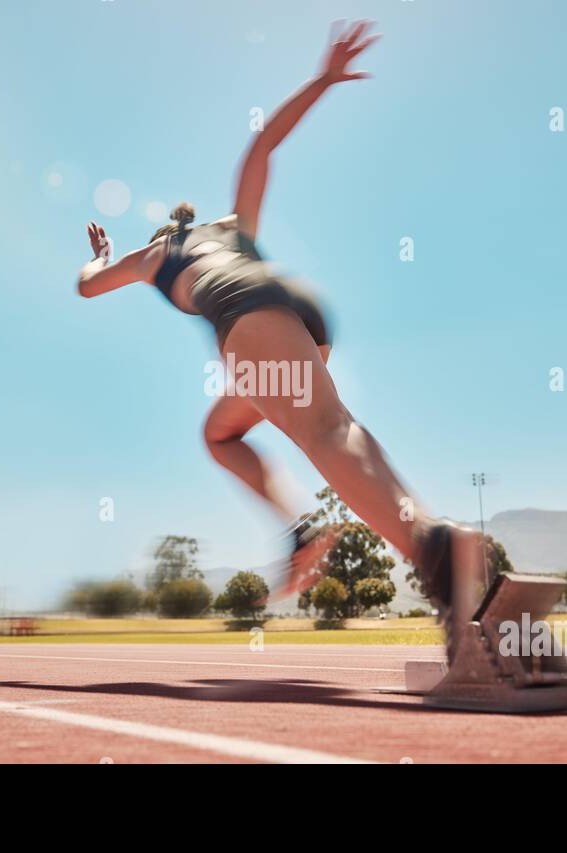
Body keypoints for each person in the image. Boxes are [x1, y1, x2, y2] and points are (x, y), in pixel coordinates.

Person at [75, 21, 486, 657]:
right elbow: (260, 151)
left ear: (163, 234)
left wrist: (101, 258)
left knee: (320, 434)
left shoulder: (155, 254)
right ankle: (309, 528)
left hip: (248, 319)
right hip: (296, 312)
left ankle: (434, 550)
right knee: (233, 430)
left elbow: (87, 288)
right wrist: (322, 78)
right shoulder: (231, 226)